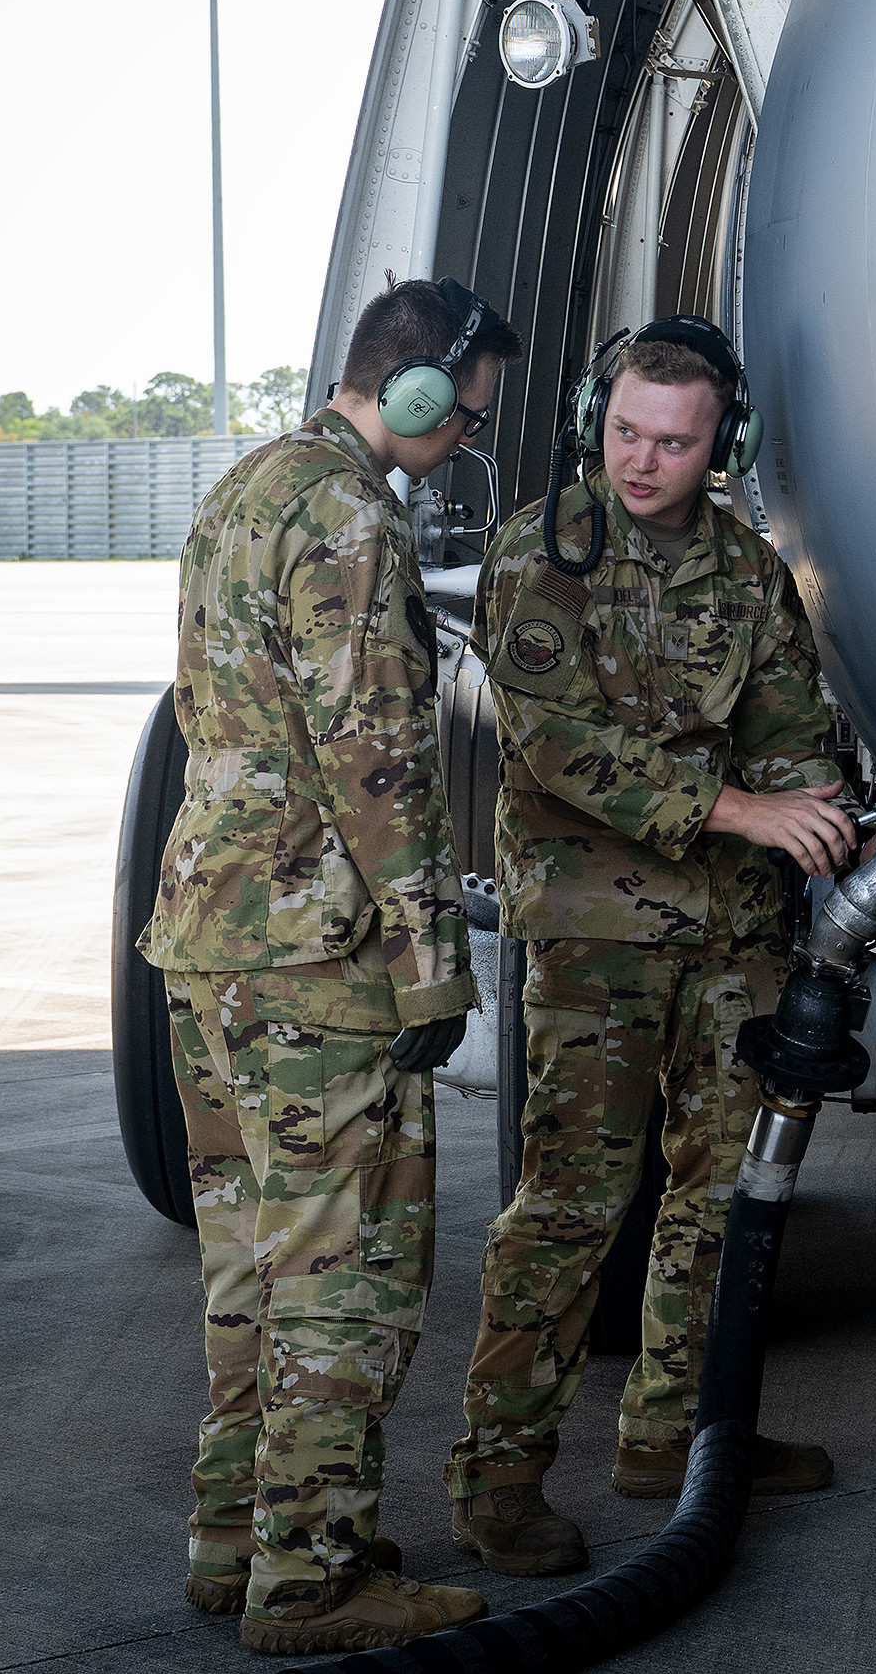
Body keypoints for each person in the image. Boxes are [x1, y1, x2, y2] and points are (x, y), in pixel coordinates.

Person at [146, 277, 521, 1654]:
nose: (467, 440)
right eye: (467, 416)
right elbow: (378, 757)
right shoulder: (354, 517)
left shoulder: (248, 485)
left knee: (251, 1255)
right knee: (344, 1268)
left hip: (212, 934)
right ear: (413, 389)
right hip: (316, 951)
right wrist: (431, 959)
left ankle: (237, 1535)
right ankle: (312, 1579)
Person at [446, 318, 855, 1575]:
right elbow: (554, 747)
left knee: (725, 1199)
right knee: (571, 1208)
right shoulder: (544, 552)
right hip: (596, 936)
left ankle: (679, 1436)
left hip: (731, 936)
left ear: (721, 442)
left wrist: (817, 811)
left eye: (673, 442)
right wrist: (743, 810)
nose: (641, 460)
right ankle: (499, 1480)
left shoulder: (746, 572)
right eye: (625, 431)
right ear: (595, 419)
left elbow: (787, 729)